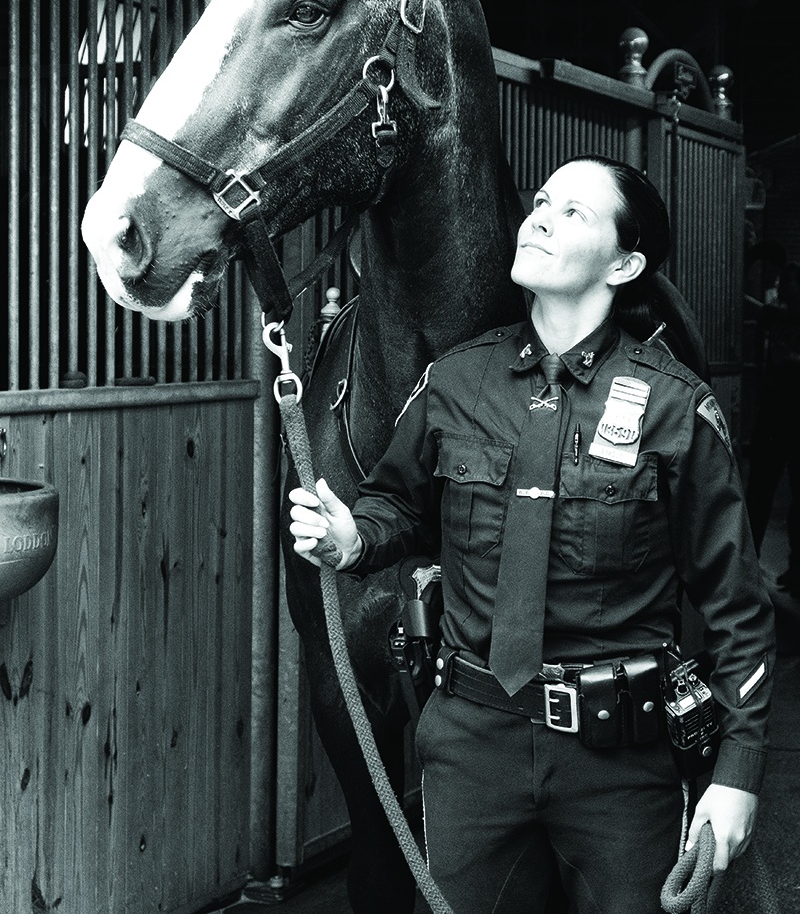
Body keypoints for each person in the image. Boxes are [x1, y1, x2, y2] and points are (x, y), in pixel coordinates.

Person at [290, 155, 775, 914]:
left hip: (618, 763)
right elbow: (400, 505)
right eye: (542, 201)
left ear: (625, 262)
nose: (541, 216)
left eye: (574, 212)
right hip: (471, 746)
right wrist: (354, 538)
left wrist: (738, 771)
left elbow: (738, 609)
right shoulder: (454, 382)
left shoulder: (676, 408)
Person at [746, 259, 800, 593]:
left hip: (788, 421)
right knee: (758, 496)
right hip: (772, 420)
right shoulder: (780, 316)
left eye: (788, 282)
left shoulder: (787, 317)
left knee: (768, 496)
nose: (780, 288)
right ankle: (749, 571)